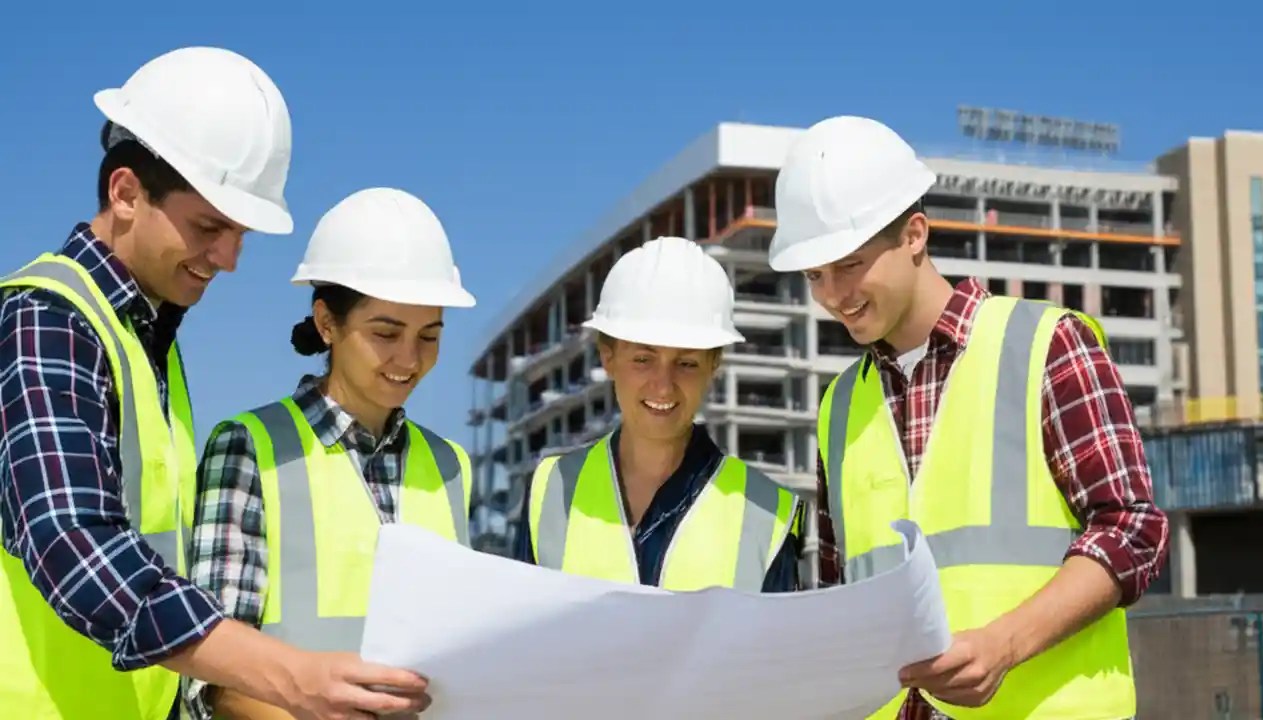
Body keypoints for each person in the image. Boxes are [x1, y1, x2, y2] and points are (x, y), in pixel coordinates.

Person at [0, 48, 428, 720]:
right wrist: (289, 675)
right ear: (125, 193)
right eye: (209, 227)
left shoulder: (150, 346)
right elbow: (71, 543)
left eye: (239, 234)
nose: (229, 259)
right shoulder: (45, 319)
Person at [767, 116, 1169, 720]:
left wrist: (1004, 646)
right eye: (814, 275)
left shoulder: (1046, 345)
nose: (831, 295)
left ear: (915, 235)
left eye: (848, 264)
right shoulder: (839, 404)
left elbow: (1132, 529)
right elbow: (840, 591)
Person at [184, 186, 476, 719]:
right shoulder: (249, 448)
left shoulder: (452, 466)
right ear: (327, 323)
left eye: (429, 336)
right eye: (386, 333)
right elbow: (211, 673)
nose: (408, 359)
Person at [513, 236, 803, 593]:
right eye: (643, 359)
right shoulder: (551, 490)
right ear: (608, 357)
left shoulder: (768, 512)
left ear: (714, 364)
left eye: (686, 363)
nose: (663, 386)